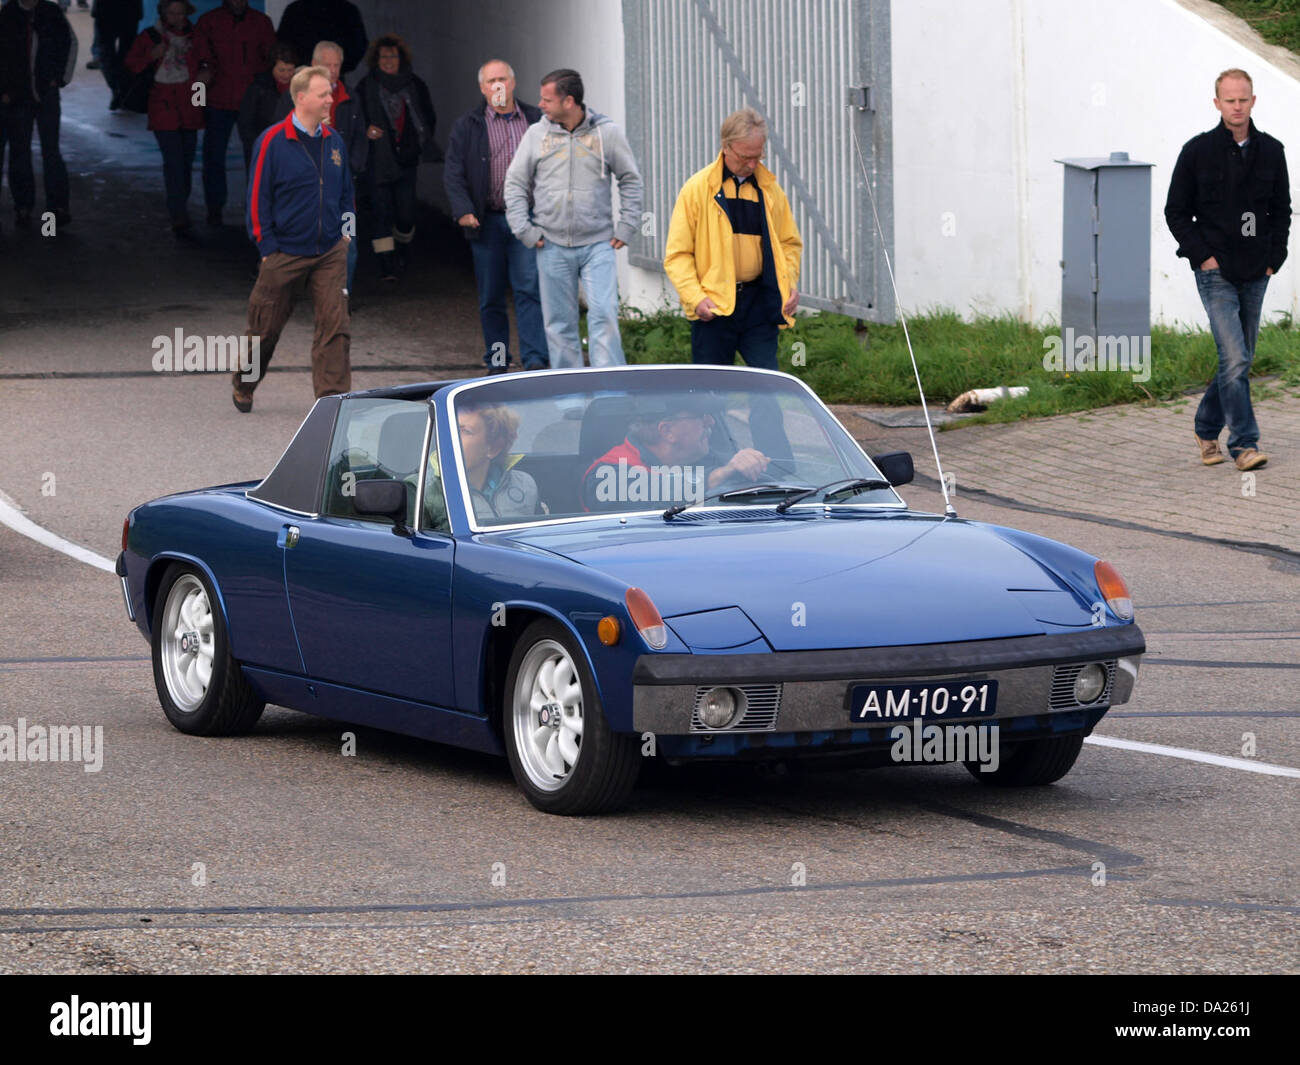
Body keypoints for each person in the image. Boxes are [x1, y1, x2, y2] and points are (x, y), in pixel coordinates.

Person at [1165, 68, 1289, 473]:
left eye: (1243, 99)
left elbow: (1281, 210)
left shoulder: (1272, 151)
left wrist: (1276, 256)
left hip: (1257, 269)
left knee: (1240, 359)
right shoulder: (1196, 152)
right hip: (1215, 270)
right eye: (1229, 100)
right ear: (1216, 103)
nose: (1237, 106)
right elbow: (1176, 211)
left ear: (1254, 101)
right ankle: (1244, 444)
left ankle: (1205, 428)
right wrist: (1203, 256)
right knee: (1234, 357)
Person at [504, 68, 642, 368]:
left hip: (598, 245)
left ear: (569, 102)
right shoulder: (536, 135)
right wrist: (525, 230)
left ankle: (609, 390)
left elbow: (630, 179)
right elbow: (514, 183)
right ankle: (570, 396)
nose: (540, 105)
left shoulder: (607, 133)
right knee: (559, 323)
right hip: (550, 244)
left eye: (547, 99)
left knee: (604, 315)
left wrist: (628, 225)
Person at [235, 63, 353, 411]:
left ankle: (331, 402)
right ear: (301, 98)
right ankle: (245, 382)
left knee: (335, 326)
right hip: (283, 251)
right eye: (323, 94)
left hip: (329, 250)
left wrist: (347, 235)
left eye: (330, 93)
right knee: (264, 330)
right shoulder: (272, 141)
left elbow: (347, 192)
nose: (331, 99)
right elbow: (257, 199)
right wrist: (267, 247)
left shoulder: (335, 142)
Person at [664, 107, 803, 371]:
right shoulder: (696, 189)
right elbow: (678, 255)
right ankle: (713, 415)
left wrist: (789, 281)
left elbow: (789, 243)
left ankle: (763, 415)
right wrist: (696, 298)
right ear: (726, 147)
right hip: (713, 308)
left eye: (758, 156)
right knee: (712, 392)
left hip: (760, 304)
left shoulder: (771, 190)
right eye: (746, 157)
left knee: (766, 386)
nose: (752, 164)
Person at [444, 58, 545, 374]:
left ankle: (534, 359)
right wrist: (463, 210)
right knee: (491, 296)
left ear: (513, 83)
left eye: (502, 79)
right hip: (486, 221)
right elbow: (453, 171)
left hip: (526, 219)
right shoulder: (468, 124)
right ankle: (498, 359)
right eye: (491, 81)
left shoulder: (536, 120)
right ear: (482, 88)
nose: (497, 86)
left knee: (529, 289)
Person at [272, 40, 365, 296]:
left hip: (341, 190)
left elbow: (359, 139)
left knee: (348, 244)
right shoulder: (293, 98)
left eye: (337, 65)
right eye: (327, 65)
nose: (333, 70)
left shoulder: (350, 98)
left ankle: (338, 298)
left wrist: (352, 169)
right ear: (314, 65)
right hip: (303, 188)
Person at [581, 396, 770, 512]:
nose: (711, 422)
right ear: (667, 432)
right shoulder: (606, 475)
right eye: (701, 416)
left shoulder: (709, 459)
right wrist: (719, 475)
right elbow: (655, 490)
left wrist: (750, 465)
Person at [353, 33, 436, 282]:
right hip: (378, 160)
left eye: (393, 56)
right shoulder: (366, 86)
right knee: (381, 212)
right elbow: (356, 118)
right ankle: (386, 264)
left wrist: (420, 140)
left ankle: (402, 249)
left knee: (405, 213)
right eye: (383, 57)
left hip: (407, 158)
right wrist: (367, 129)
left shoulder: (416, 85)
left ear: (402, 59)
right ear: (375, 60)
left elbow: (428, 116)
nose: (389, 61)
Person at [125, 1, 205, 234]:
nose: (177, 17)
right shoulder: (149, 36)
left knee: (186, 160)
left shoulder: (195, 35)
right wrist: (151, 56)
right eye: (172, 13)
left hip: (190, 103)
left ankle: (180, 205)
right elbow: (131, 65)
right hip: (162, 104)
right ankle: (178, 211)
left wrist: (206, 73)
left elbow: (208, 61)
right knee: (174, 161)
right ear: (163, 13)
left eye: (180, 13)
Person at [193, 0, 275, 226]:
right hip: (218, 100)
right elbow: (199, 66)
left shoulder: (261, 23)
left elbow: (271, 62)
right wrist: (197, 102)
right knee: (214, 157)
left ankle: (258, 209)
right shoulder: (209, 22)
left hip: (253, 101)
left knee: (258, 158)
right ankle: (215, 208)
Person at [0, 0, 73, 228]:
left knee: (50, 151)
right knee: (20, 151)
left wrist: (58, 79)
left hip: (46, 92)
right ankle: (24, 206)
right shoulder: (8, 14)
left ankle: (56, 208)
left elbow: (70, 44)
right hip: (17, 95)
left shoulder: (50, 13)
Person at [425, 402, 540, 528]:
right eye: (449, 429)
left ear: (494, 448)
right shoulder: (421, 491)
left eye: (466, 431)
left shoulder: (525, 485)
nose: (450, 437)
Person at [236, 40, 296, 171]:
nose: (286, 75)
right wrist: (259, 148)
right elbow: (245, 123)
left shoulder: (301, 87)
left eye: (290, 70)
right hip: (262, 152)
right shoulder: (258, 88)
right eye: (281, 70)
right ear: (272, 67)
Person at [276, 0, 365, 77]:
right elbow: (283, 47)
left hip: (333, 78)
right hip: (301, 76)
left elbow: (358, 46)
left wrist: (335, 67)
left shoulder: (348, 11)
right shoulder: (294, 10)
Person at [91, 0, 143, 111]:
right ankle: (121, 89)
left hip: (107, 10)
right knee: (121, 53)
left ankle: (118, 89)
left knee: (107, 53)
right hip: (127, 10)